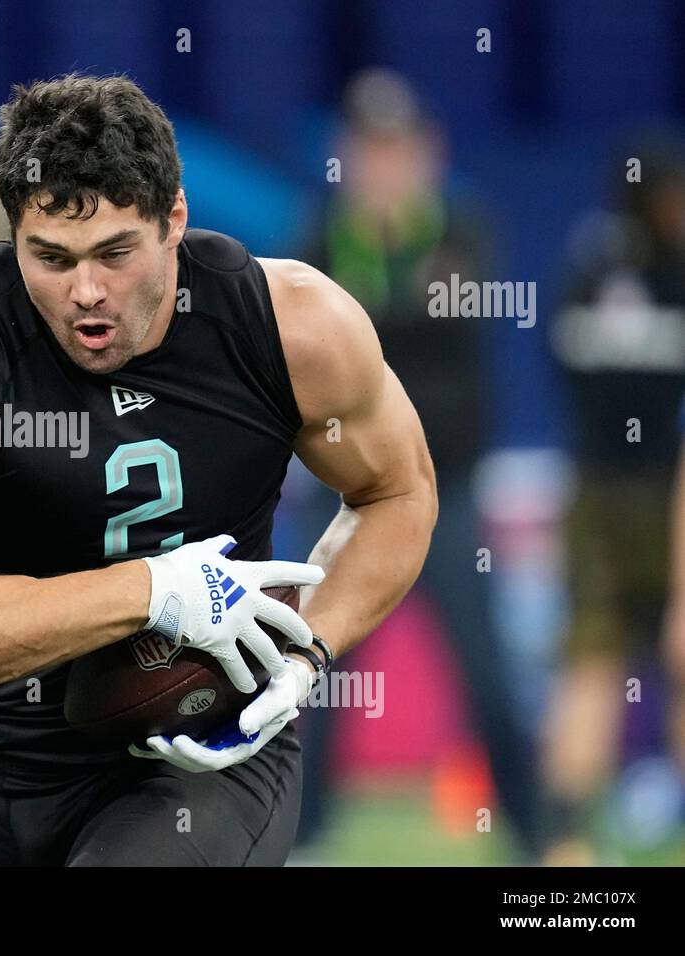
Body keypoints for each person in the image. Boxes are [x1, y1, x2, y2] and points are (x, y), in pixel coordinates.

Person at [0, 73, 437, 866]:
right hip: (4, 763)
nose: (86, 291)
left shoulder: (289, 324)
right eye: (50, 256)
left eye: (115, 253)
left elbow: (398, 489)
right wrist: (154, 593)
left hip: (208, 750)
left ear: (174, 220)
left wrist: (306, 653)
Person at [296, 69, 542, 857]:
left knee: (489, 675)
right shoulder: (323, 235)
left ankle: (538, 839)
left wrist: (366, 319)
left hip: (445, 494)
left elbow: (427, 340)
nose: (383, 169)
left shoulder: (458, 232)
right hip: (344, 496)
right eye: (370, 151)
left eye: (397, 150)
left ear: (427, 155)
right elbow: (312, 356)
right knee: (310, 671)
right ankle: (298, 838)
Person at [542, 136, 685, 863]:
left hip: (619, 487)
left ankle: (569, 835)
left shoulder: (584, 265)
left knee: (597, 661)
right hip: (639, 488)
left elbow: (561, 366)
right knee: (595, 662)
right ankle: (568, 833)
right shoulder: (640, 267)